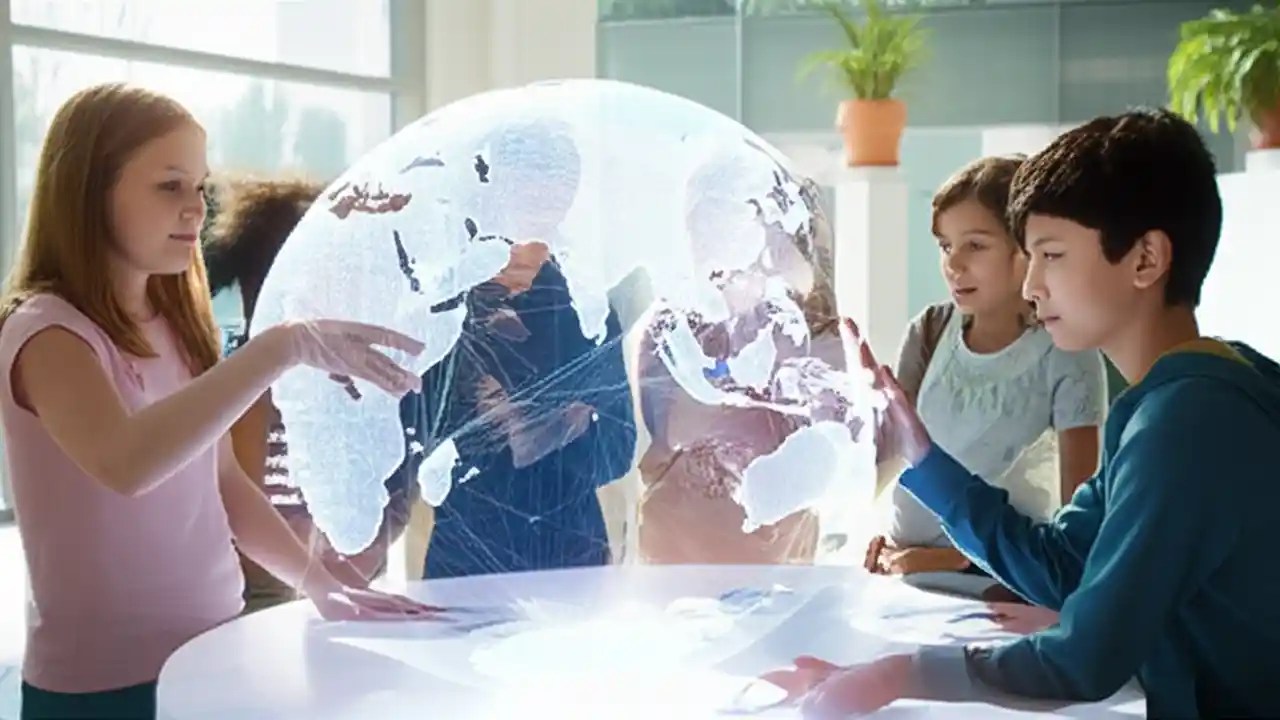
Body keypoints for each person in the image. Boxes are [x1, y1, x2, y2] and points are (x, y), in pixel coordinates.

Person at [765, 109, 1280, 718]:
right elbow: (1065, 566)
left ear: (1146, 260)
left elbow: (1085, 659)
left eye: (1052, 254)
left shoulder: (1188, 421)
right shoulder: (1177, 396)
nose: (1032, 285)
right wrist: (921, 455)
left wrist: (892, 674)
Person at [0, 82, 439, 720]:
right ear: (90, 192)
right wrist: (277, 350)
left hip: (215, 658)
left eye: (200, 189)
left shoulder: (174, 321)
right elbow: (126, 463)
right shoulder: (45, 332)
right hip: (102, 692)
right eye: (169, 186)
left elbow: (224, 485)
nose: (196, 210)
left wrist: (322, 584)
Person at [398, 120, 638, 579]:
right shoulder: (446, 297)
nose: (545, 200)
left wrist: (527, 425)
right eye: (531, 183)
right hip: (466, 550)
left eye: (558, 187)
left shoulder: (585, 304)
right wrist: (563, 419)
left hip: (572, 551)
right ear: (496, 184)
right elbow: (417, 434)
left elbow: (620, 443)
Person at [864, 156, 1105, 600]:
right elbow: (887, 457)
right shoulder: (930, 330)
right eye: (944, 246)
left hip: (1000, 589)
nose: (953, 264)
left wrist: (948, 559)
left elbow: (1078, 529)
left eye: (975, 245)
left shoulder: (1067, 352)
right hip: (903, 580)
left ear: (1024, 250)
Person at [203, 177, 421, 612]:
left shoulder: (360, 369)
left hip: (332, 579)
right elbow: (230, 496)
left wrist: (348, 562)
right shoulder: (236, 370)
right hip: (254, 589)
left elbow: (398, 476)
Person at [635, 176, 844, 565]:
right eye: (700, 230)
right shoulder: (668, 325)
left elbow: (828, 452)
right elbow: (656, 444)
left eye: (725, 227)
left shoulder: (799, 330)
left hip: (768, 546)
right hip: (676, 542)